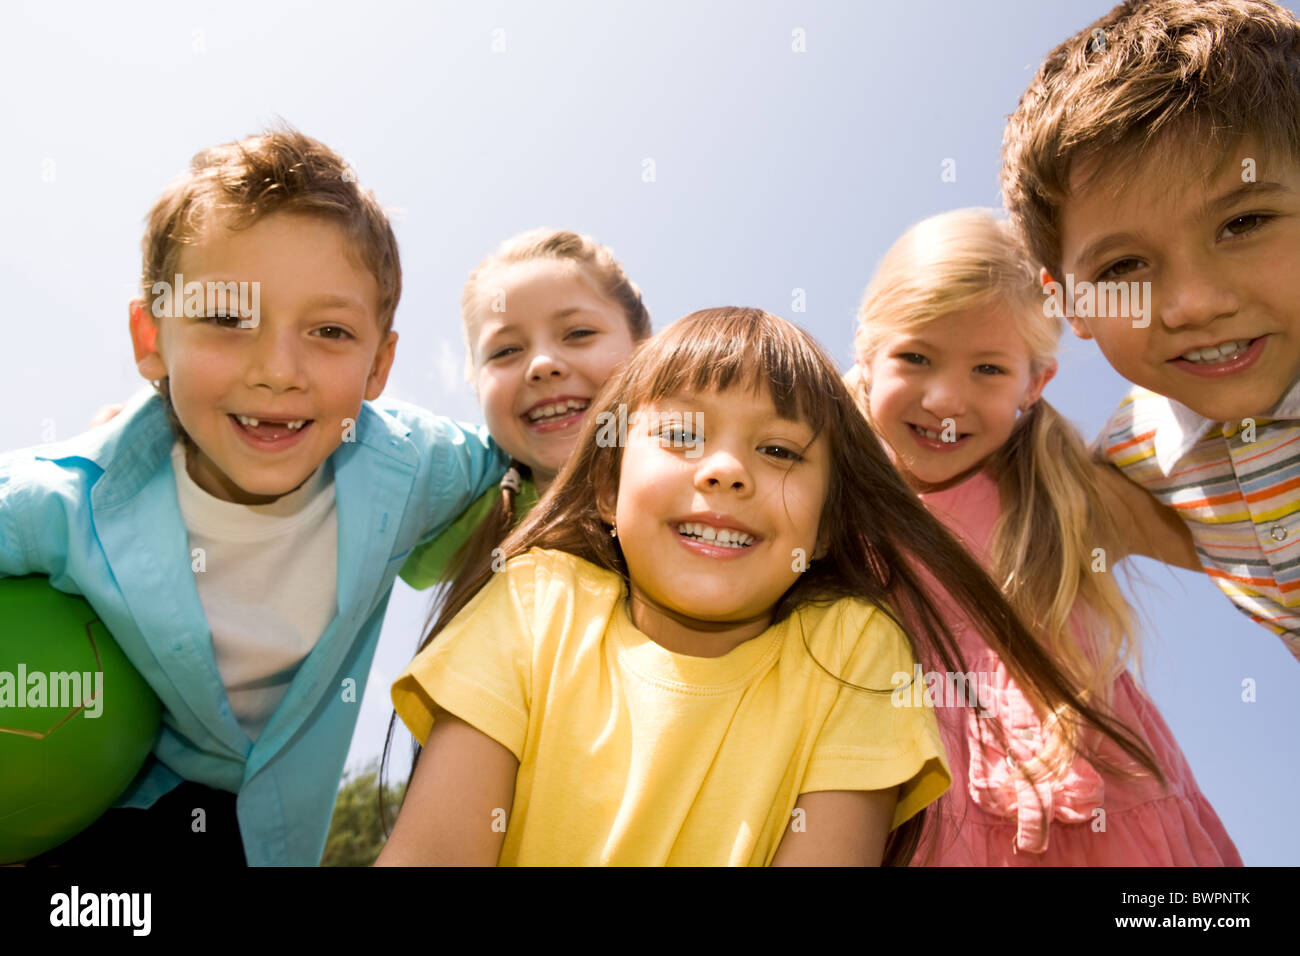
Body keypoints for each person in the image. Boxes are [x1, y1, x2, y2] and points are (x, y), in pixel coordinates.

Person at [377, 307, 1165, 866]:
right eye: (682, 435)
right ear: (611, 489)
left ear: (826, 528)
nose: (726, 469)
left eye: (782, 451)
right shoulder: (535, 601)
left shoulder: (854, 651)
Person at [0, 125, 507, 866]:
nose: (278, 369)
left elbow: (525, 460)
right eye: (227, 319)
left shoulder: (406, 467)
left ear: (378, 366)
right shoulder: (68, 498)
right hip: (109, 807)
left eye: (330, 330)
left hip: (264, 836)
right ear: (151, 339)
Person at [847, 207, 1241, 864]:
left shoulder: (1065, 494)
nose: (945, 398)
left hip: (1109, 822)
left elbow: (1241, 524)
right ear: (866, 353)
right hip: (913, 814)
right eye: (916, 356)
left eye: (989, 370)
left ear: (1036, 383)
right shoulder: (824, 493)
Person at [1001, 0, 1300, 661]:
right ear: (1069, 304)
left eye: (1243, 224)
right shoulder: (1135, 460)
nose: (1191, 304)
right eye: (1123, 266)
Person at [398, 227, 650, 588]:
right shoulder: (459, 508)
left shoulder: (706, 478)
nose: (542, 364)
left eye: (578, 333)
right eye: (505, 351)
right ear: (475, 380)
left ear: (647, 348)